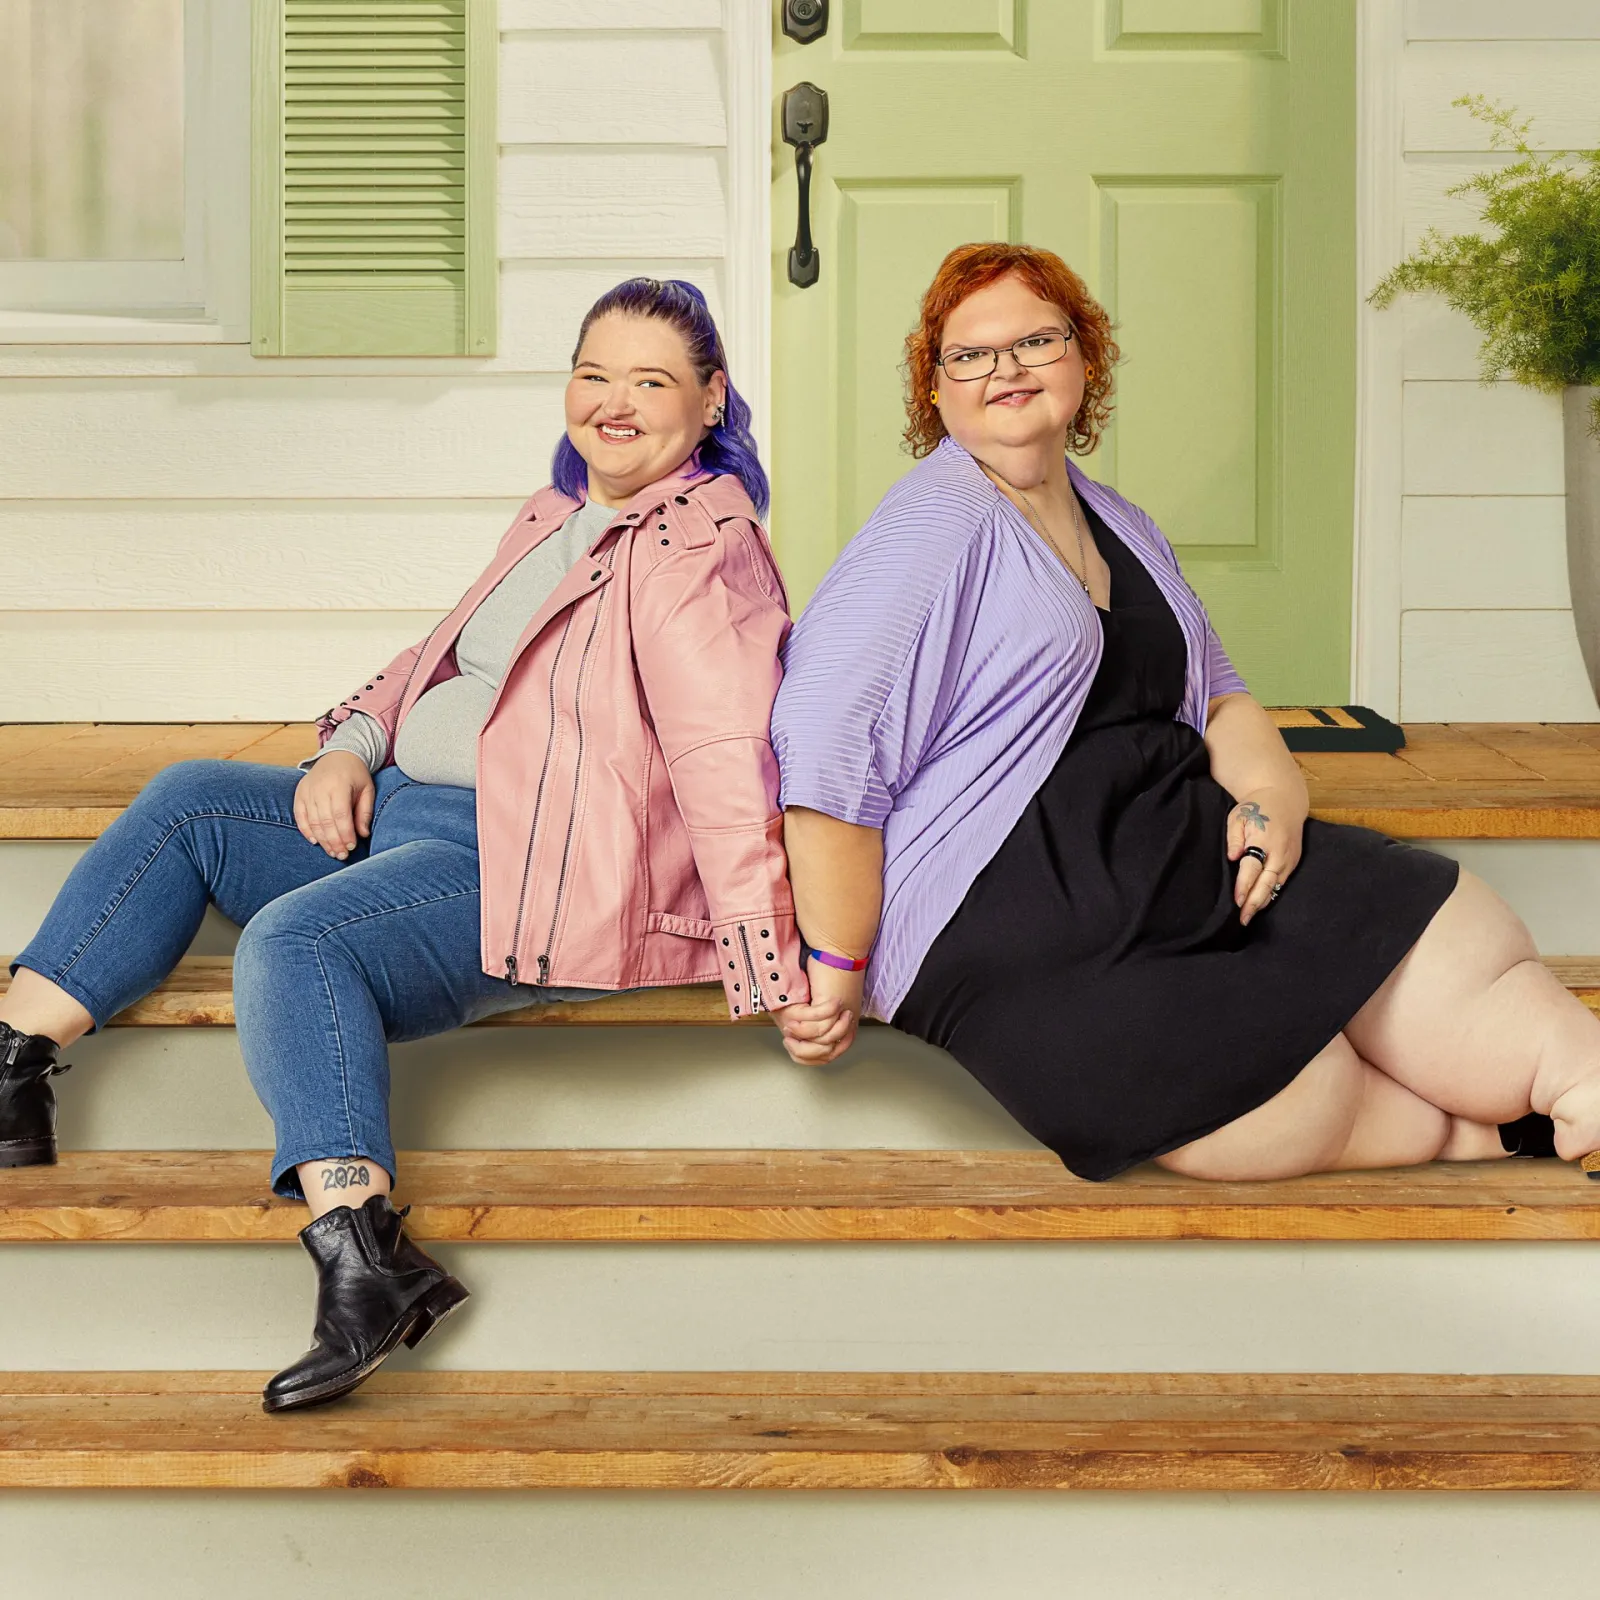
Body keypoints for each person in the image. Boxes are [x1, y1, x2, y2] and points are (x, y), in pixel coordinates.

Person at [0, 278, 809, 1410]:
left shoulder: (696, 554)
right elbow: (438, 658)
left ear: (711, 398)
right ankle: (13, 1067)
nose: (613, 403)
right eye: (593, 374)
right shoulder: (555, 513)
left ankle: (363, 1259)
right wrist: (350, 747)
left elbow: (727, 758)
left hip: (523, 864)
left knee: (297, 942)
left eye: (649, 381)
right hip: (404, 809)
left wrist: (771, 961)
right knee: (190, 801)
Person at [770, 241, 1600, 1184]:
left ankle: (1581, 1088)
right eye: (969, 355)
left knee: (1423, 924)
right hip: (1015, 914)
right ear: (935, 387)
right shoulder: (932, 525)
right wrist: (838, 962)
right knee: (1293, 1099)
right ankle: (1492, 1133)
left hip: (1177, 844)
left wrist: (1272, 796)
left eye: (1037, 340)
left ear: (1084, 357)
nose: (1006, 370)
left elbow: (1218, 693)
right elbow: (828, 744)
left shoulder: (1115, 518)